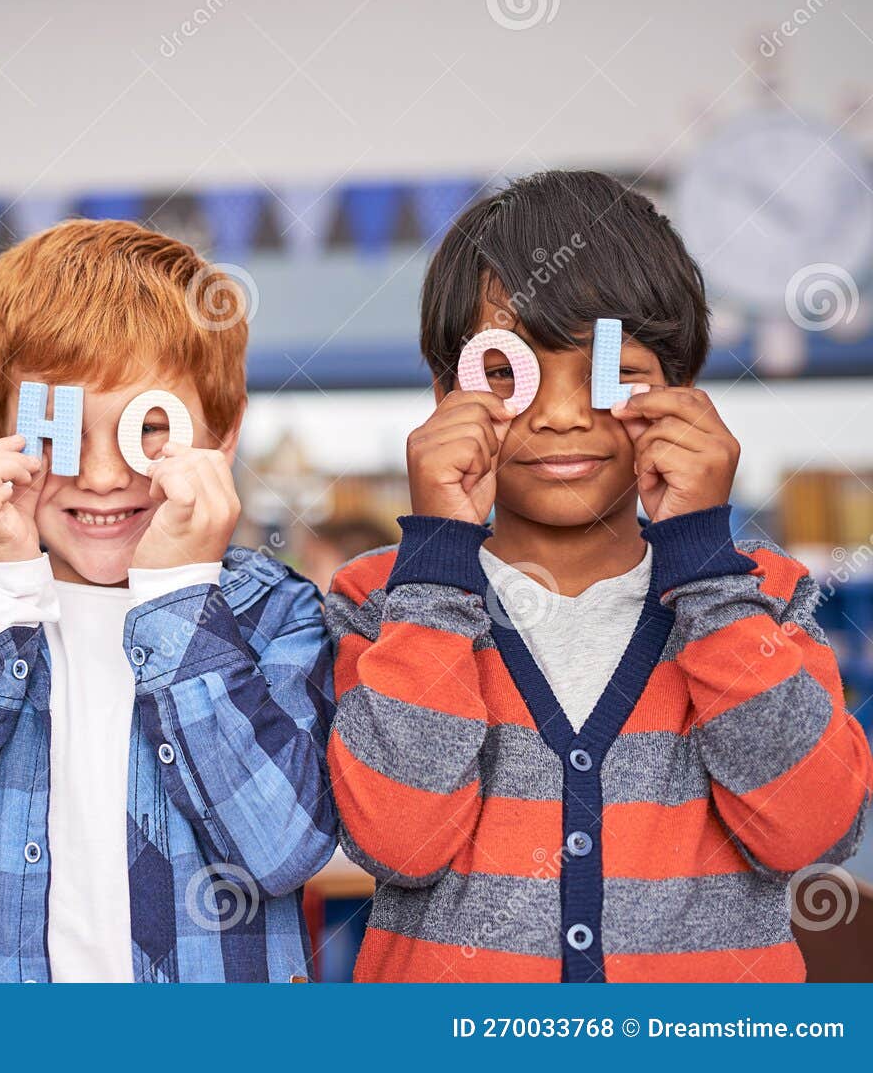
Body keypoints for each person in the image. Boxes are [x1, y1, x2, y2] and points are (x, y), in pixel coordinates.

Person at [326, 170, 872, 981]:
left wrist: (704, 567)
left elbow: (811, 832)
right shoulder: (383, 600)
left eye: (610, 372)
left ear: (681, 389)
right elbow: (398, 842)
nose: (560, 414)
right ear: (444, 391)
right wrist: (438, 556)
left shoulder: (764, 596)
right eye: (508, 374)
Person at [0, 219, 337, 981]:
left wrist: (179, 594)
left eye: (147, 430)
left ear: (223, 434)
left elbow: (281, 849)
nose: (101, 477)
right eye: (57, 433)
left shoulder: (276, 616)